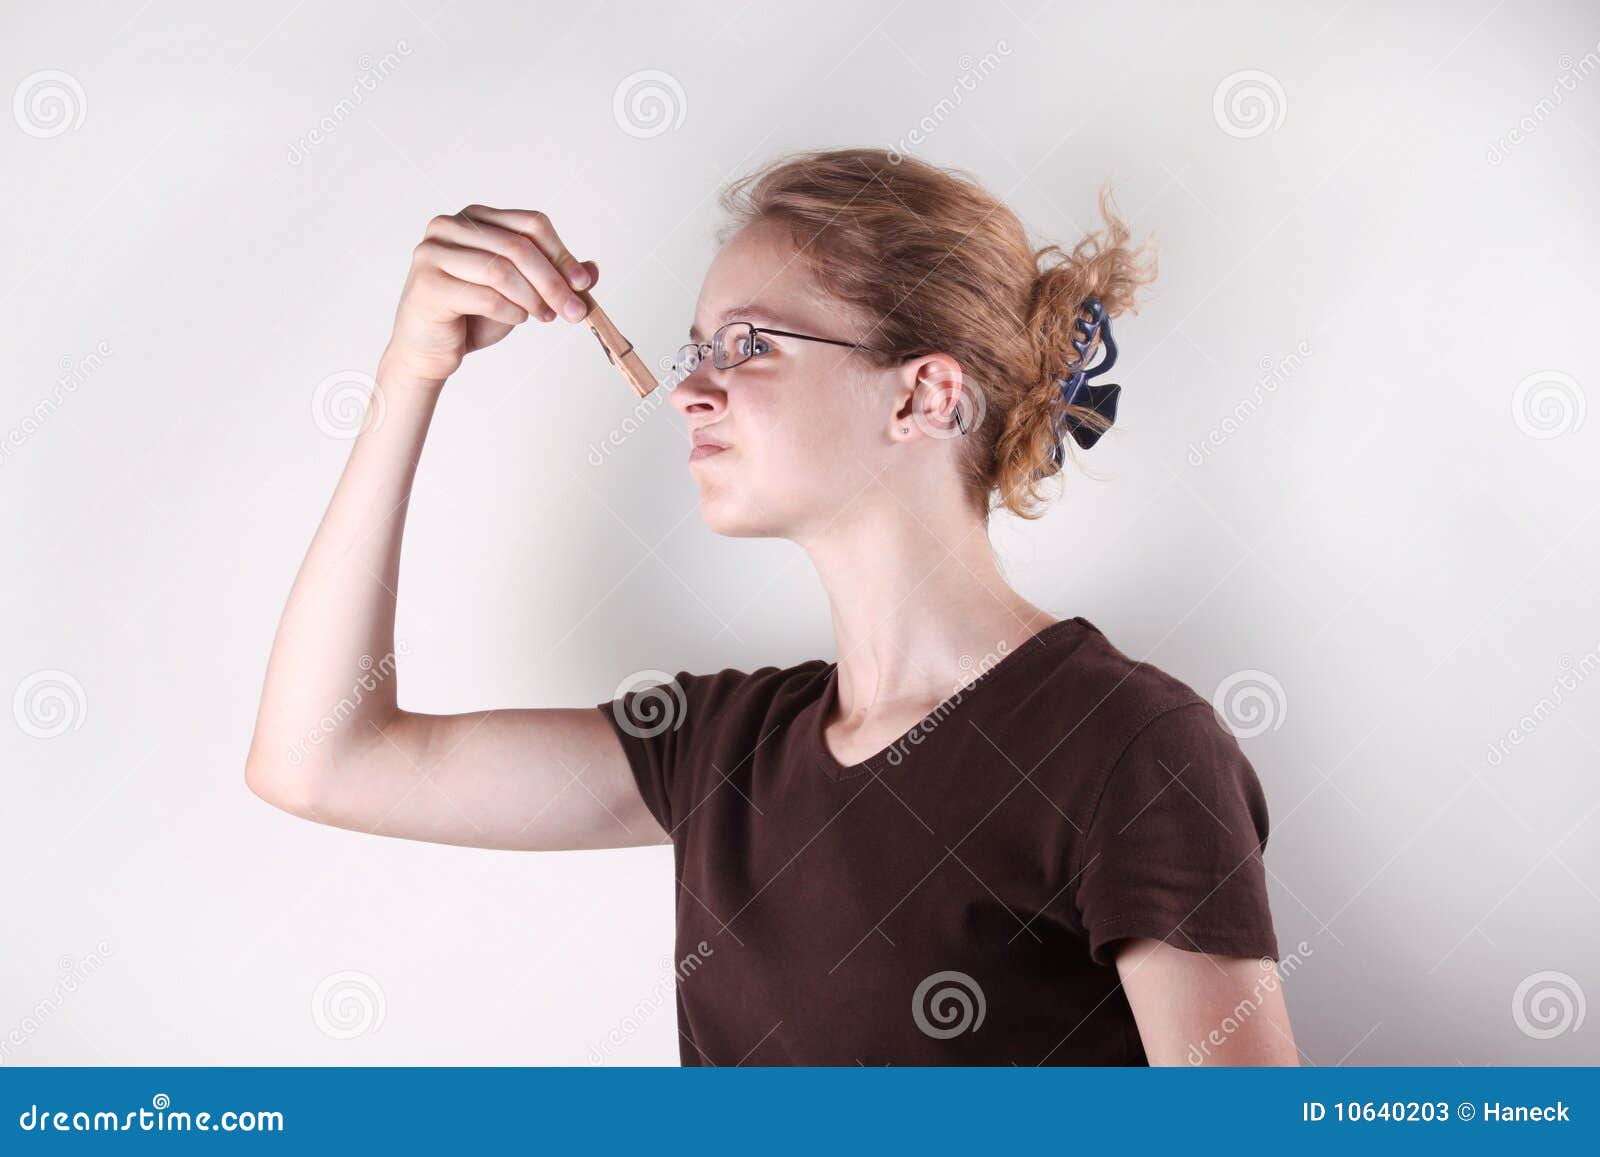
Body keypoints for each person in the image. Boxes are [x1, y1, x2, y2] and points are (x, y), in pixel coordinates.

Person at [245, 147, 1298, 1067]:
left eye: (750, 345)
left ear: (923, 395)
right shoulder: (719, 748)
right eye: (696, 348)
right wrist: (411, 370)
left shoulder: (1131, 749)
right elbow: (320, 758)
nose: (688, 390)